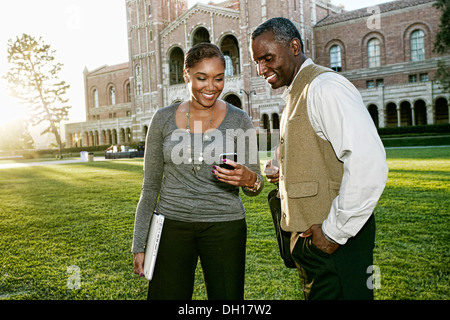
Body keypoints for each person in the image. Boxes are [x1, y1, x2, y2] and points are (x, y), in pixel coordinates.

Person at [251, 17, 388, 300]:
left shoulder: (325, 87)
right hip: (315, 249)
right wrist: (283, 169)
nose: (261, 69)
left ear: (295, 46)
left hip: (336, 246)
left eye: (267, 58)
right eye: (257, 61)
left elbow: (367, 162)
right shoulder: (297, 91)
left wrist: (334, 233)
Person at [132, 43, 263, 300]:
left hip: (225, 226)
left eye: (219, 78)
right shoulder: (163, 118)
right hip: (171, 226)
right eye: (201, 78)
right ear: (186, 75)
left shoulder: (240, 119)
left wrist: (249, 179)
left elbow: (255, 185)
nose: (211, 87)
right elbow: (149, 188)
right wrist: (139, 244)